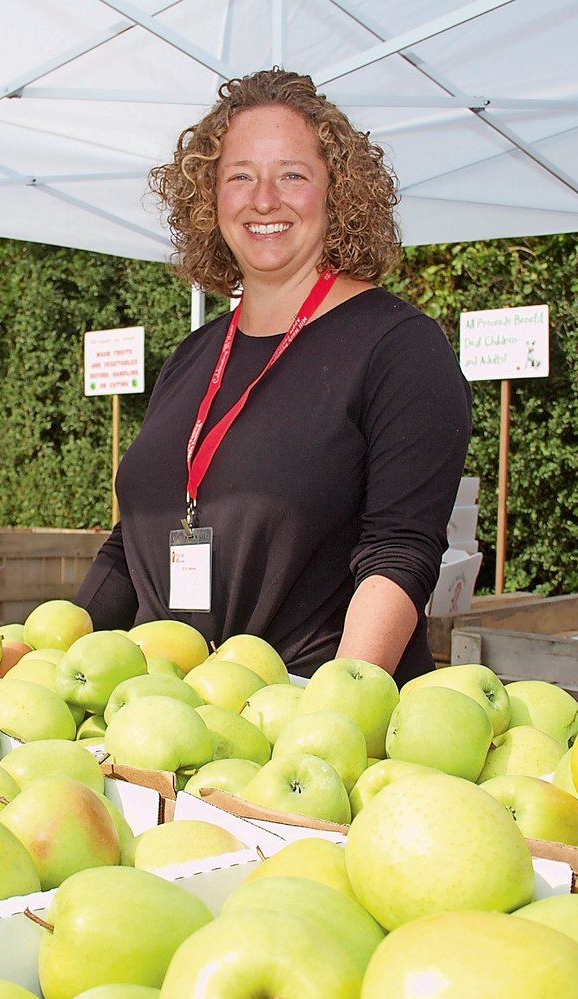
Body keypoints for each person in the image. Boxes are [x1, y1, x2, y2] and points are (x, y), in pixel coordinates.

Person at [75, 68, 471, 684]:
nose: (264, 199)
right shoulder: (192, 356)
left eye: (292, 174)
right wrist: (48, 657)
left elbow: (399, 555)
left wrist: (334, 713)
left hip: (307, 719)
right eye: (240, 176)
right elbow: (132, 549)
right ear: (210, 199)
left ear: (338, 193)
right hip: (169, 714)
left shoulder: (399, 347)